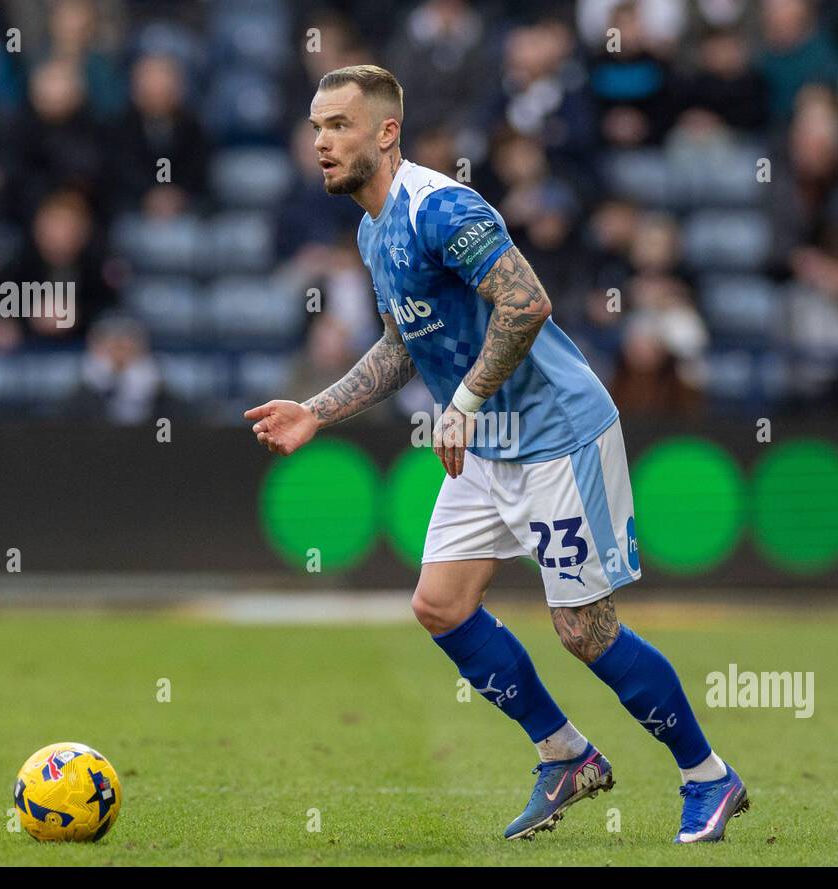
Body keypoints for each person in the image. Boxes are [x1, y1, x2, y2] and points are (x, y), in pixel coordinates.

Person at [245, 65, 748, 844]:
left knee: (583, 630)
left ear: (386, 132)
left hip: (556, 435)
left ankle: (708, 776)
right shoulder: (373, 229)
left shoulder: (441, 206)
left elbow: (527, 302)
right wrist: (316, 410)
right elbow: (401, 343)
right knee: (439, 605)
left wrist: (465, 403)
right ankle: (566, 755)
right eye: (315, 126)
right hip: (488, 446)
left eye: (339, 124)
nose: (321, 142)